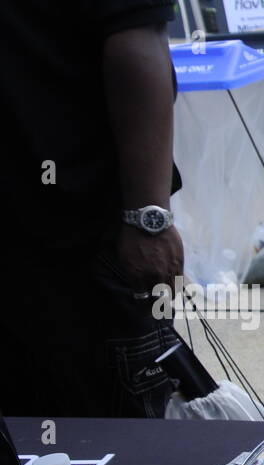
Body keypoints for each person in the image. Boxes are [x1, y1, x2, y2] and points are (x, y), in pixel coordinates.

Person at [0, 0, 185, 418]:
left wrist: (147, 218)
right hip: (43, 246)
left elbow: (136, 35)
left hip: (75, 242)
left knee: (111, 446)